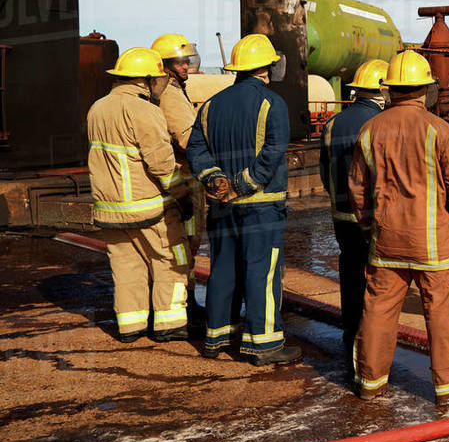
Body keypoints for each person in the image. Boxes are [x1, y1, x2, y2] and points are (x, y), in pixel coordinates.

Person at [348, 50, 449, 406]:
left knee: (377, 311)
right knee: (441, 314)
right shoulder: (439, 130)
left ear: (390, 89)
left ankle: (370, 383)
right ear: (426, 88)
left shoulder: (369, 129)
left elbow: (357, 188)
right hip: (433, 246)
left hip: (385, 242)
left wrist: (367, 228)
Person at [186, 33, 298, 366]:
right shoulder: (272, 103)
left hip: (222, 206)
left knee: (223, 270)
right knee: (261, 273)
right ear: (265, 67)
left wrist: (215, 179)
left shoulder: (211, 105)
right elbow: (274, 151)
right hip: (261, 206)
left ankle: (217, 337)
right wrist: (241, 184)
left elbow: (196, 148)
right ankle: (264, 346)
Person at [87, 47, 190, 342]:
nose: (162, 84)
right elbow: (161, 163)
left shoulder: (98, 108)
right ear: (145, 80)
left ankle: (131, 326)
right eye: (158, 79)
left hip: (109, 209)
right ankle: (169, 324)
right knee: (172, 259)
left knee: (127, 268)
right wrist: (181, 194)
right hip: (149, 208)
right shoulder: (145, 110)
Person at [319, 58, 387, 355]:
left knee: (349, 272)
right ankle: (370, 340)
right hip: (371, 217)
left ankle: (350, 330)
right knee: (376, 277)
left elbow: (324, 170)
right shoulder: (380, 124)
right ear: (381, 91)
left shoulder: (333, 123)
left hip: (340, 214)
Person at [151, 33, 204, 327]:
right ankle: (185, 302)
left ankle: (185, 297)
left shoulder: (172, 90)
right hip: (183, 178)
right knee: (185, 242)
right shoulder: (170, 94)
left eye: (186, 61)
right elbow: (187, 138)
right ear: (167, 65)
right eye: (180, 62)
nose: (186, 67)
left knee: (182, 242)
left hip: (180, 178)